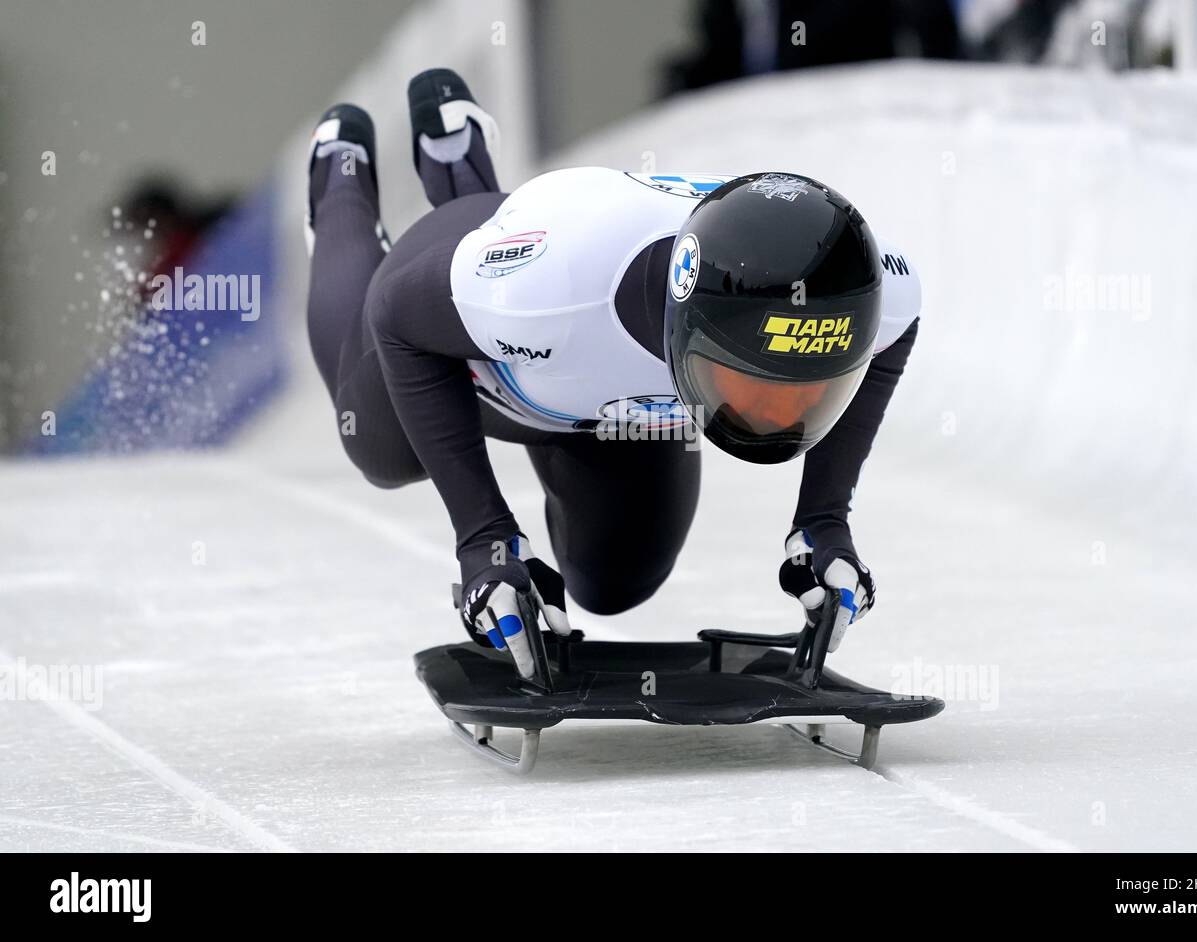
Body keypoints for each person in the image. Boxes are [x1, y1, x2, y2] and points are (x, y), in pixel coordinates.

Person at [304, 69, 921, 682]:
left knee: (615, 582)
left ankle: (460, 163)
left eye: (811, 391)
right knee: (379, 451)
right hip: (472, 340)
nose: (777, 417)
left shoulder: (875, 285)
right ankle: (344, 180)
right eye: (754, 386)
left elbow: (898, 329)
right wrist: (483, 539)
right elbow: (396, 319)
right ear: (686, 327)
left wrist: (823, 520)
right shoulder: (545, 292)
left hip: (606, 406)